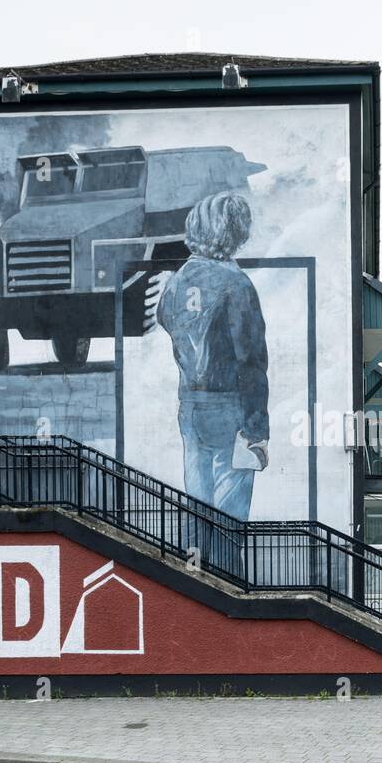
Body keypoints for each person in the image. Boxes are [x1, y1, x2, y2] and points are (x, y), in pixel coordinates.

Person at [154, 192, 269, 522]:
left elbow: (165, 318)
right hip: (231, 407)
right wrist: (257, 429)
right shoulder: (237, 284)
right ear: (235, 232)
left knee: (197, 510)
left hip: (190, 405)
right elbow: (251, 361)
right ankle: (226, 576)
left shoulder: (176, 282)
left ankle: (193, 571)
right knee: (230, 517)